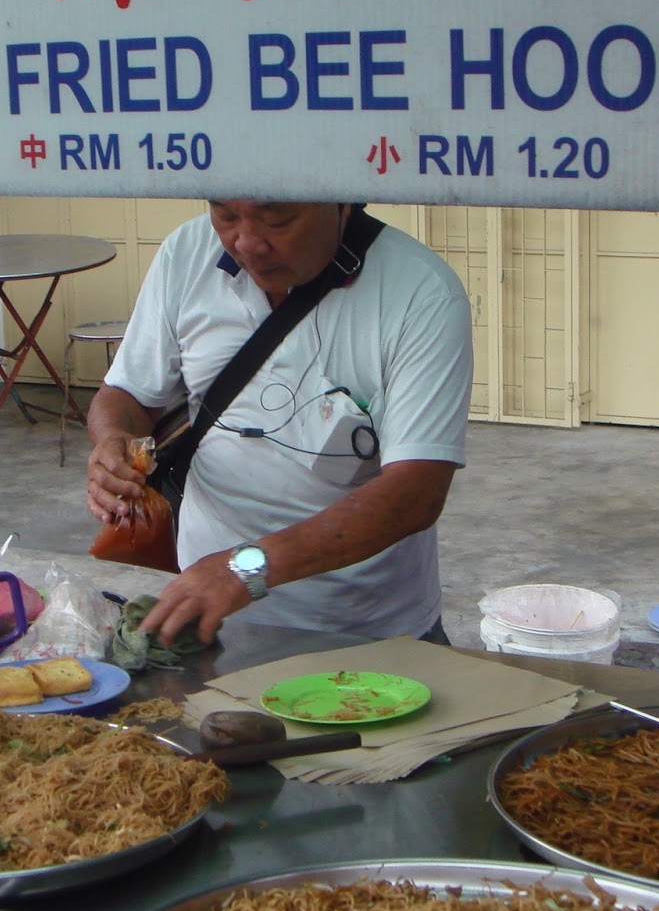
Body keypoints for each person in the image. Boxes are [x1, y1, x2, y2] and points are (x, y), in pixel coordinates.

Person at [86, 200, 473, 645]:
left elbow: (416, 492)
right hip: (212, 624)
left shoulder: (420, 292)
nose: (246, 242)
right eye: (225, 215)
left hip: (368, 632)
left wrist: (244, 569)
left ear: (341, 201)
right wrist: (113, 440)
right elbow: (129, 392)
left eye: (278, 218)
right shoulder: (186, 252)